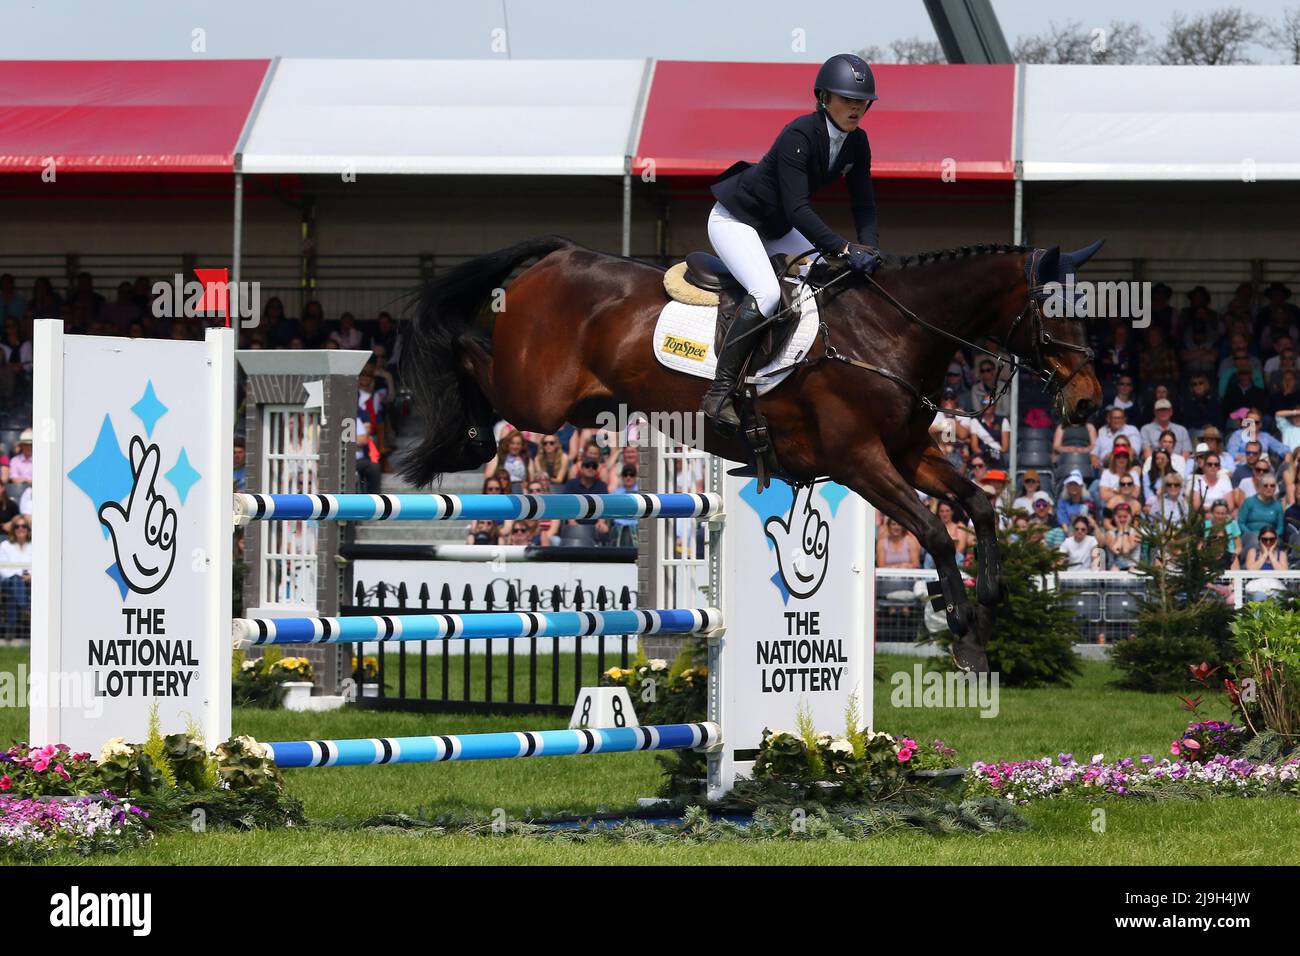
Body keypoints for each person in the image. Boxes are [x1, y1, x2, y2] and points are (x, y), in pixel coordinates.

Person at [701, 53, 881, 435]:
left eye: (862, 101)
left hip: (775, 225)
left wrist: (870, 248)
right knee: (766, 293)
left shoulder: (857, 142)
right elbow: (799, 209)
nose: (856, 108)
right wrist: (845, 249)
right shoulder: (799, 135)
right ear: (823, 99)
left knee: (825, 277)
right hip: (737, 220)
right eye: (847, 100)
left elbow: (863, 201)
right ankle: (719, 392)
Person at [0, 517, 31, 638]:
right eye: (17, 526)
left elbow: (40, 565)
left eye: (24, 526)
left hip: (31, 581)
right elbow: (3, 568)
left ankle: (11, 630)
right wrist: (20, 575)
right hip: (9, 580)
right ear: (13, 529)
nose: (20, 529)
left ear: (28, 529)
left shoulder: (34, 546)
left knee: (14, 595)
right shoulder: (5, 546)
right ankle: (25, 608)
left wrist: (30, 576)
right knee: (15, 582)